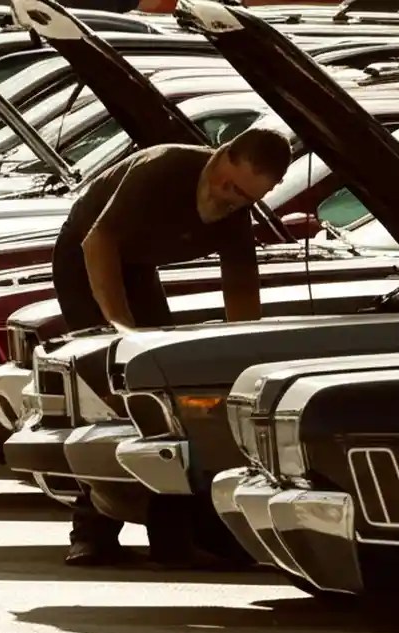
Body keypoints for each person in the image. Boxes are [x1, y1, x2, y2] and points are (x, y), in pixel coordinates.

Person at [50, 128, 292, 567]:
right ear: (220, 157)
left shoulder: (237, 213)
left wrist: (243, 355)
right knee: (111, 387)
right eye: (229, 187)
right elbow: (98, 242)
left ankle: (173, 535)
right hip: (85, 257)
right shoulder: (162, 166)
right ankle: (91, 530)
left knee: (167, 392)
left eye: (246, 199)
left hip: (138, 267)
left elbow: (241, 291)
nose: (230, 200)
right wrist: (122, 332)